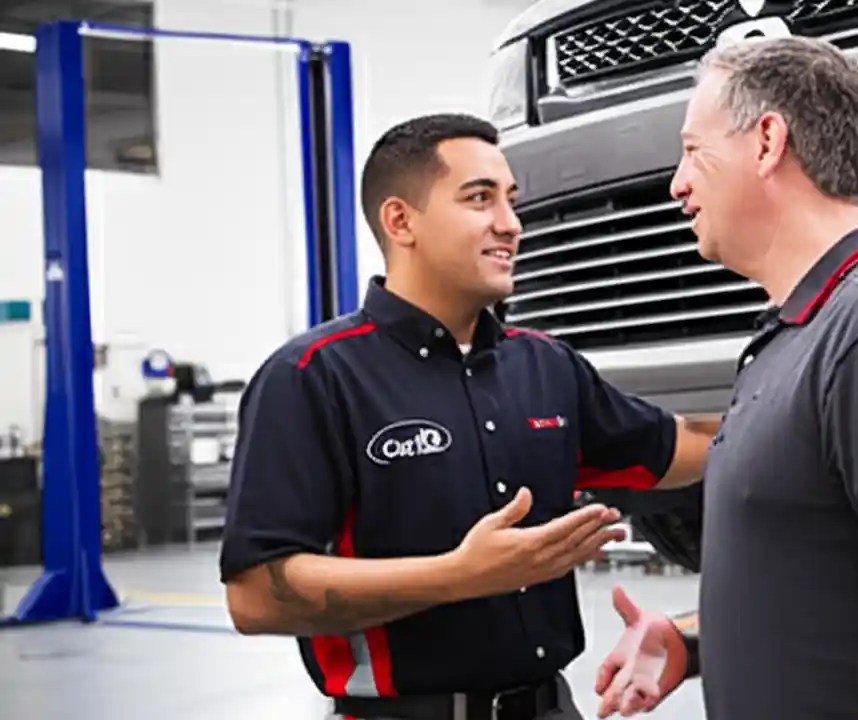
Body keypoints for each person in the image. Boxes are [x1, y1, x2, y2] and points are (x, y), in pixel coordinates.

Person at [218, 113, 719, 720]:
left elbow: (683, 449)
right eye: (479, 199)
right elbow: (255, 598)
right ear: (400, 220)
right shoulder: (313, 377)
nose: (509, 225)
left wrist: (796, 397)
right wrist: (458, 575)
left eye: (512, 201)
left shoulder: (547, 366)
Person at [594, 37, 858, 720]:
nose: (678, 183)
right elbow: (829, 574)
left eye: (692, 149)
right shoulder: (804, 333)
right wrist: (687, 639)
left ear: (767, 141)